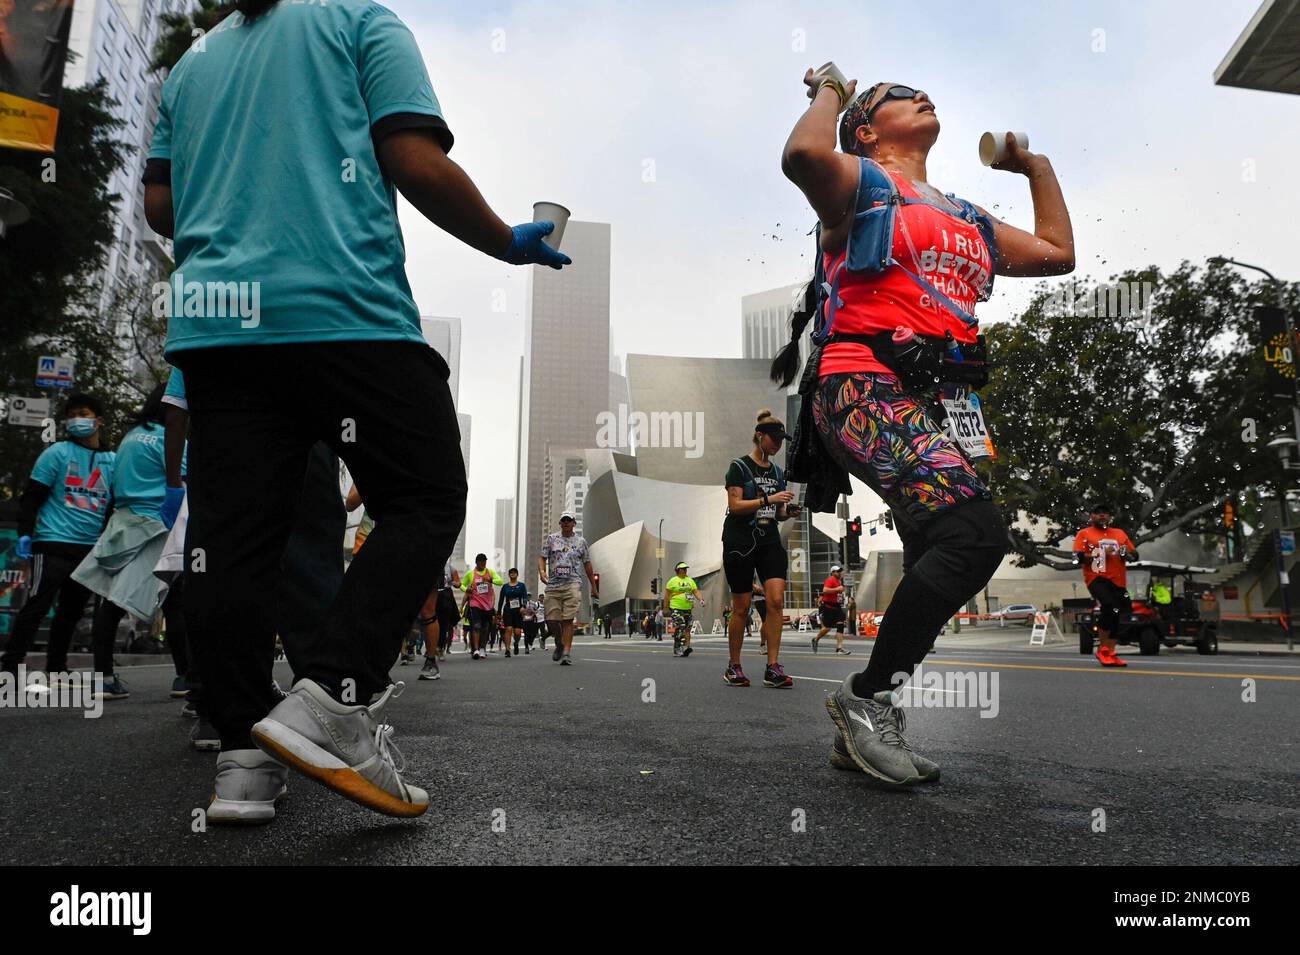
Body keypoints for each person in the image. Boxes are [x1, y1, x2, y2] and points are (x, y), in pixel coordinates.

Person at [142, 0, 570, 822]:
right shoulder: (361, 23)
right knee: (425, 495)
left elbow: (163, 207)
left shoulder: (191, 67)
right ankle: (332, 696)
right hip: (344, 309)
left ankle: (239, 758)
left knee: (232, 541)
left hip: (220, 327)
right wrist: (507, 242)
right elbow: (412, 158)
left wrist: (239, 184)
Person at [777, 70, 1073, 785]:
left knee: (938, 551)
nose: (921, 95)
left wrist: (1035, 167)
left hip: (928, 400)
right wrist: (830, 90)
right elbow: (802, 157)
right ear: (867, 128)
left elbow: (1058, 254)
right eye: (895, 94)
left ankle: (867, 724)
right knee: (972, 534)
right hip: (861, 383)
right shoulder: (861, 183)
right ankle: (866, 699)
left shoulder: (966, 214)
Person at [71, 385, 187, 704]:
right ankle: (185, 677)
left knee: (110, 602)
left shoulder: (130, 437)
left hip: (122, 525)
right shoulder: (171, 439)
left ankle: (104, 677)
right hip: (156, 528)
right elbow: (189, 481)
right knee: (175, 601)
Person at [1, 394, 115, 682]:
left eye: (84, 413)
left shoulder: (113, 461)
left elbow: (114, 504)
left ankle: (56, 666)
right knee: (37, 605)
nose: (77, 419)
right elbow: (33, 497)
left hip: (88, 549)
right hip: (52, 543)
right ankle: (10, 665)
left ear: (99, 420)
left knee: (71, 612)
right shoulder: (56, 453)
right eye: (72, 414)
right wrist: (25, 534)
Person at [721, 410, 798, 688]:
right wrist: (769, 497)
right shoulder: (739, 467)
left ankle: (773, 667)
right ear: (759, 436)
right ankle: (734, 666)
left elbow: (777, 513)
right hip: (739, 542)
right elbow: (735, 506)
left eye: (781, 440)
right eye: (773, 439)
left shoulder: (778, 472)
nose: (777, 445)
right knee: (741, 606)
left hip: (768, 540)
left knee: (775, 600)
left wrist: (789, 512)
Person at [1073, 503, 1139, 668]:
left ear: (1110, 517)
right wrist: (1102, 553)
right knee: (1109, 606)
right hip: (1096, 577)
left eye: (1105, 513)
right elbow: (1078, 557)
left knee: (1121, 612)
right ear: (1092, 516)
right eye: (1097, 513)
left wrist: (1126, 554)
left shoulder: (1119, 533)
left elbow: (1134, 554)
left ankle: (1110, 651)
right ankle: (1102, 649)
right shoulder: (1085, 533)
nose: (1102, 515)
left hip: (1118, 580)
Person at [538, 511, 598, 666]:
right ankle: (559, 643)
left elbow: (587, 563)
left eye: (568, 520)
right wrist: (542, 571)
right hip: (553, 584)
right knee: (551, 620)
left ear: (574, 523)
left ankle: (566, 652)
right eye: (563, 520)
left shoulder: (581, 542)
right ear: (560, 523)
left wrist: (593, 585)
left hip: (573, 583)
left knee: (568, 620)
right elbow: (542, 557)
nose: (565, 522)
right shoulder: (552, 539)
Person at [460, 554, 503, 660]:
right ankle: (475, 650)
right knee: (476, 626)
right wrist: (466, 589)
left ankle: (483, 648)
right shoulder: (470, 574)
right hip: (475, 604)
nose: (483, 563)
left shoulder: (490, 572)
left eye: (485, 561)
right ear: (477, 562)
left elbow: (500, 581)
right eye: (481, 562)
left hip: (487, 605)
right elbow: (461, 584)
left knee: (485, 627)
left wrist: (491, 580)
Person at [663, 562, 703, 658]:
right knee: (681, 625)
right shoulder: (672, 581)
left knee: (687, 628)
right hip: (676, 608)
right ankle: (677, 648)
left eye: (686, 568)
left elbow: (695, 591)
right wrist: (665, 607)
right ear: (678, 570)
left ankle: (686, 647)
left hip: (687, 609)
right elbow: (667, 595)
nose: (685, 570)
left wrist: (701, 599)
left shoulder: (690, 580)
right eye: (683, 569)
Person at [812, 565, 851, 655]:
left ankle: (839, 648)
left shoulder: (838, 581)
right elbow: (825, 590)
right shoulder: (830, 579)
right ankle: (815, 639)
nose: (839, 573)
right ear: (833, 572)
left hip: (837, 606)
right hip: (828, 607)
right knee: (827, 628)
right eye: (837, 571)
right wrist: (837, 589)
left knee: (840, 625)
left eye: (840, 571)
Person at [497, 568, 529, 656]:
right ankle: (507, 649)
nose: (513, 574)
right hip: (508, 610)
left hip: (518, 610)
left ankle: (516, 643)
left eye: (514, 573)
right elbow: (501, 600)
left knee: (517, 632)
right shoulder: (505, 586)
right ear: (509, 575)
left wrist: (523, 606)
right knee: (508, 629)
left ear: (517, 574)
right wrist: (499, 612)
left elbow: (525, 597)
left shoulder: (522, 586)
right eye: (511, 573)